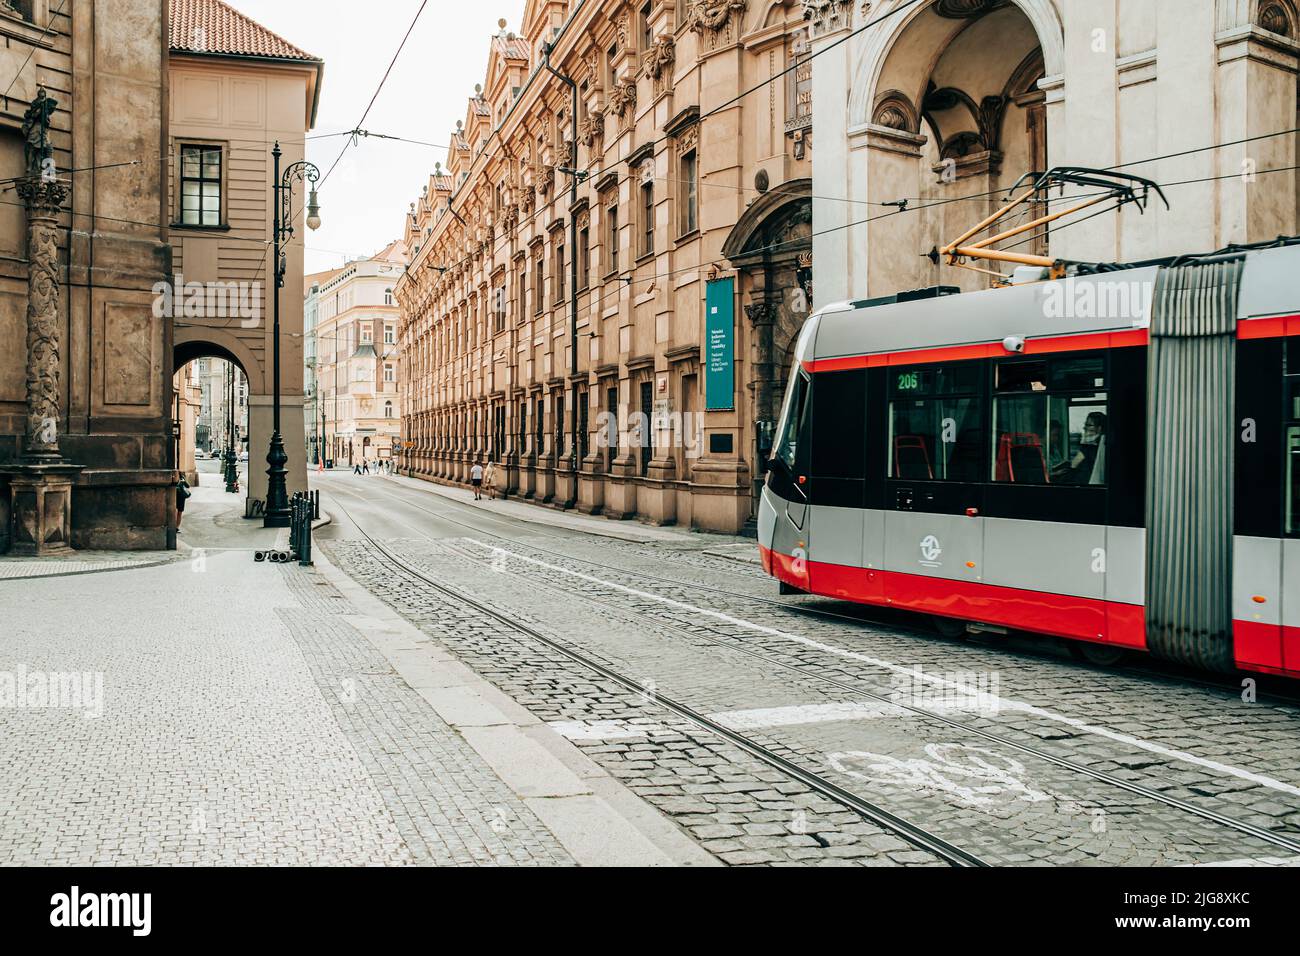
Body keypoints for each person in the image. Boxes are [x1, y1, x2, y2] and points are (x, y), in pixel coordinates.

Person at [1057, 411, 1106, 485]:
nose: (1085, 427)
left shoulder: (1088, 446)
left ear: (1099, 428)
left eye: (1089, 425)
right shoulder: (1104, 444)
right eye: (1085, 424)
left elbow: (1074, 464)